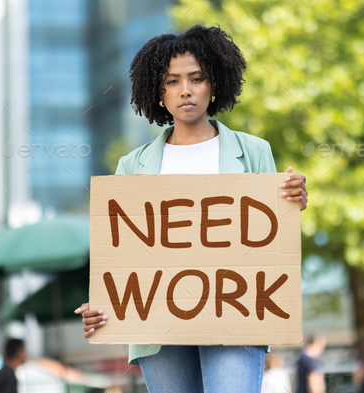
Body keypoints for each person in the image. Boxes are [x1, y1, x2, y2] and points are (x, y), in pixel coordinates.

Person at [74, 24, 309, 393]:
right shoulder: (131, 166)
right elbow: (121, 258)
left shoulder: (254, 152)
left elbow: (272, 244)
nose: (185, 90)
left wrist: (294, 200)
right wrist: (104, 305)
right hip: (157, 326)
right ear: (159, 92)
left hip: (236, 317)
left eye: (196, 78)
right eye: (172, 81)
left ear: (214, 85)